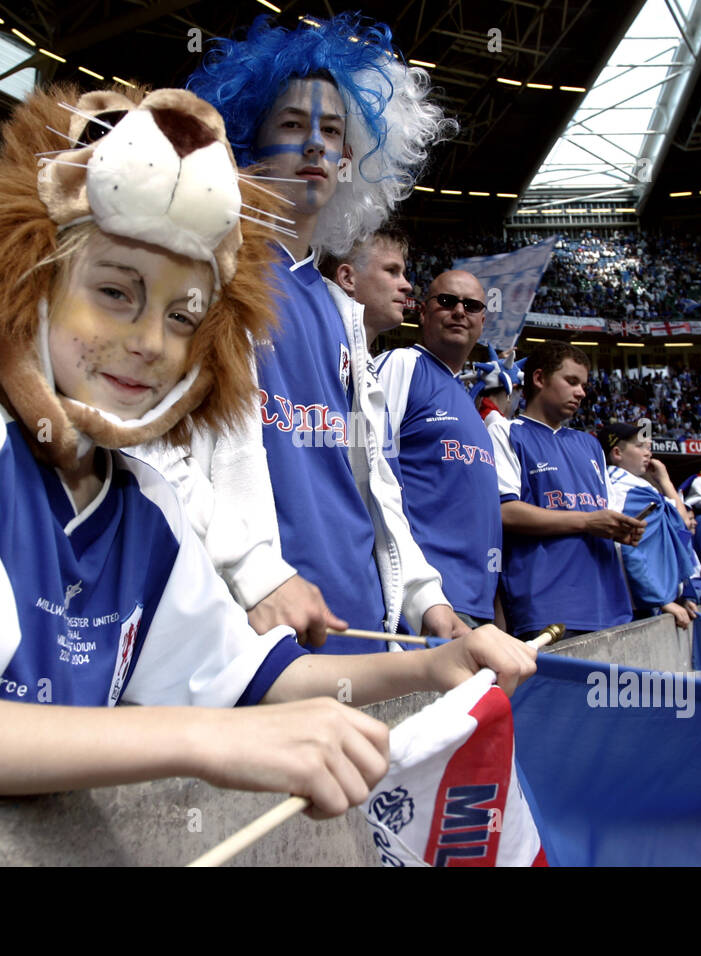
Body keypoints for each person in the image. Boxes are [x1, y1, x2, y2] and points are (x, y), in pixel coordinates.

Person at [0, 85, 535, 840]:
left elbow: (255, 679)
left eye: (182, 316)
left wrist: (434, 665)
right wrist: (209, 741)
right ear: (35, 283)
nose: (147, 343)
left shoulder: (147, 506)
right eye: (114, 292)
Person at [187, 14, 466, 652]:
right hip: (258, 632)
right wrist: (255, 575)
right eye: (291, 125)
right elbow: (164, 454)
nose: (316, 145)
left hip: (367, 627)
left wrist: (425, 595)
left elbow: (372, 475)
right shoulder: (206, 272)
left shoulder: (342, 311)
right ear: (248, 143)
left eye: (333, 132)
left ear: (350, 159)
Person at [490, 343, 645, 640]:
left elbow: (603, 514)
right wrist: (587, 522)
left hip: (610, 604)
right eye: (571, 381)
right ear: (539, 379)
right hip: (546, 609)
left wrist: (618, 528)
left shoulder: (590, 445)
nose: (581, 393)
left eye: (584, 385)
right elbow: (504, 512)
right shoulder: (505, 432)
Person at [375, 270, 501, 627]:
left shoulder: (466, 400)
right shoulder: (401, 365)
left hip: (474, 607)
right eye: (447, 301)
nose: (459, 311)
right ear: (423, 312)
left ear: (482, 320)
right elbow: (364, 468)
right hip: (422, 601)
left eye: (471, 305)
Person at [600, 422, 698, 629]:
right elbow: (622, 548)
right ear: (617, 452)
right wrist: (660, 601)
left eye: (649, 447)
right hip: (635, 607)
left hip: (651, 600)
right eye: (640, 446)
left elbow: (681, 523)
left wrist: (664, 481)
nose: (649, 453)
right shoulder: (618, 489)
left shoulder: (638, 487)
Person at [318, 224, 412, 347]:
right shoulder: (310, 345)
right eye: (391, 270)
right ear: (348, 278)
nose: (407, 286)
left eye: (403, 274)